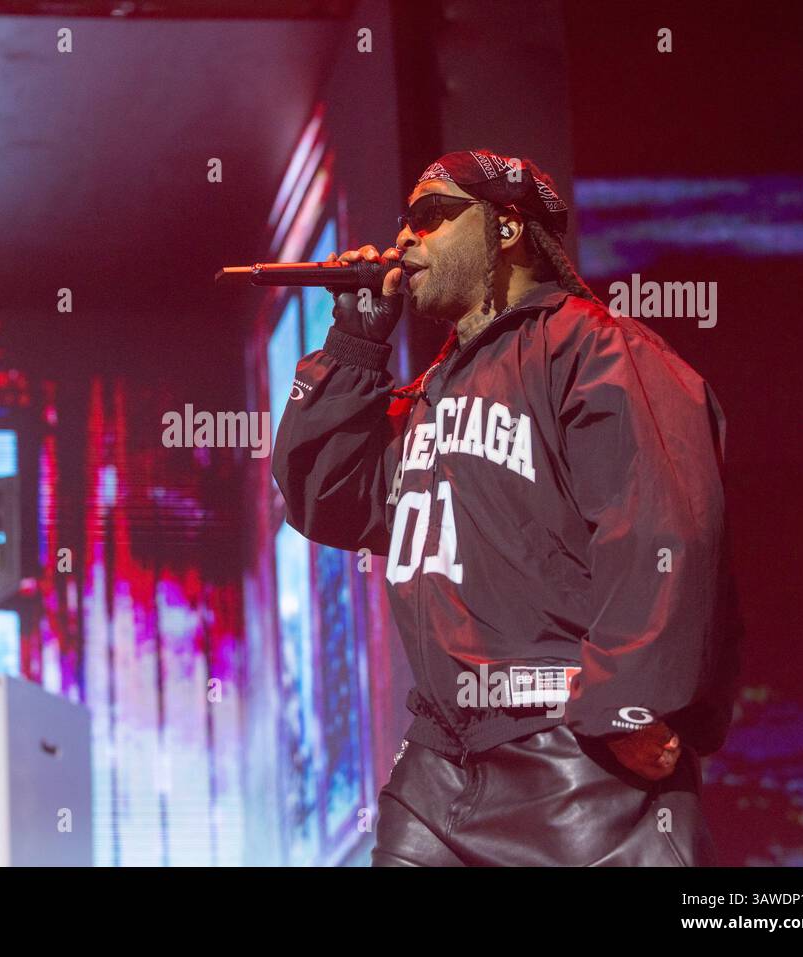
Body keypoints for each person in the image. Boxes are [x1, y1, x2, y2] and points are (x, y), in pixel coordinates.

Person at [270, 149, 742, 866]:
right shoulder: (428, 393)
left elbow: (664, 524)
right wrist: (355, 342)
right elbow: (327, 494)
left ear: (508, 228)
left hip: (572, 761)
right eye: (403, 224)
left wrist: (630, 702)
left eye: (430, 218)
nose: (404, 240)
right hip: (438, 767)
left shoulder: (593, 348)